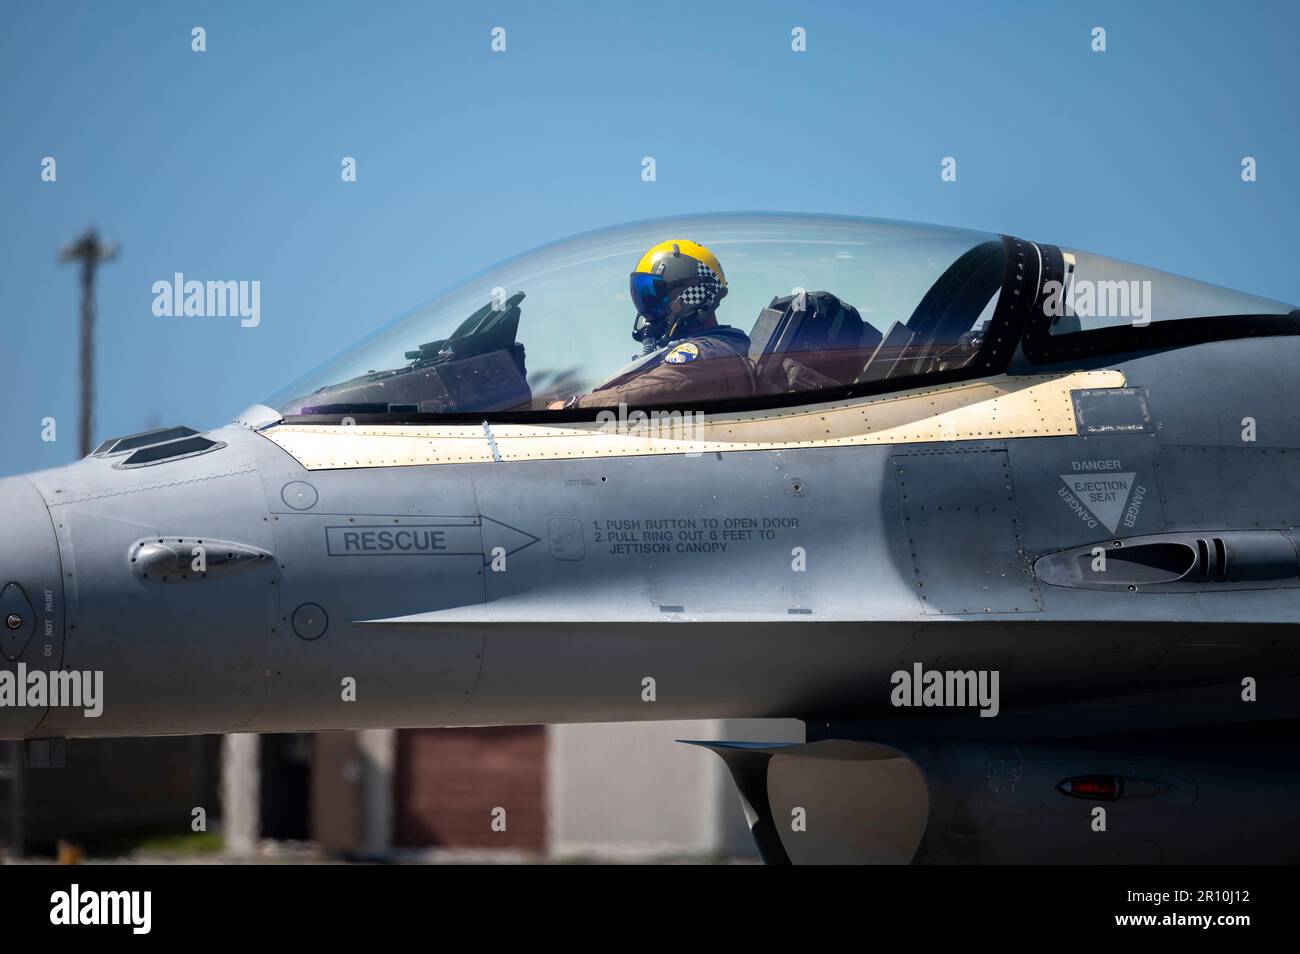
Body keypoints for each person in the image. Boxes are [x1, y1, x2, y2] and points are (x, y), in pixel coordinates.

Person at [549, 239, 754, 409]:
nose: (649, 312)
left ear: (696, 295)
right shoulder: (712, 348)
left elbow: (649, 391)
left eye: (658, 298)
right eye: (645, 299)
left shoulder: (710, 353)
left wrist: (572, 407)